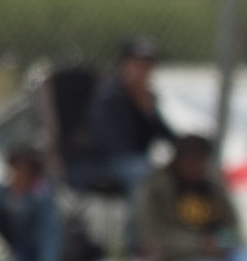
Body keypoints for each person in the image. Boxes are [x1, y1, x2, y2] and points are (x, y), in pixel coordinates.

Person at [74, 37, 175, 196]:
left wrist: (147, 113)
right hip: (100, 163)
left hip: (135, 161)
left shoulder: (145, 97)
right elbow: (111, 143)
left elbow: (166, 135)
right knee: (142, 173)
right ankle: (141, 214)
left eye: (148, 66)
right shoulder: (108, 95)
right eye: (139, 65)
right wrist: (137, 106)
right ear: (123, 65)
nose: (144, 71)